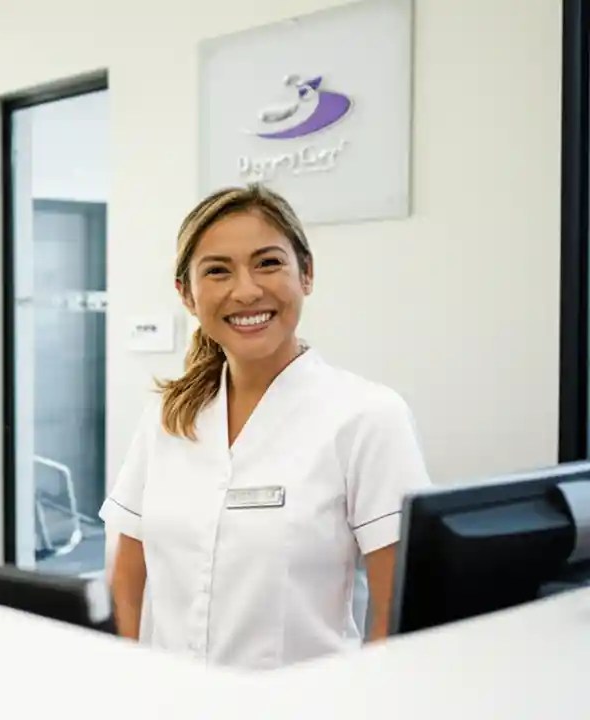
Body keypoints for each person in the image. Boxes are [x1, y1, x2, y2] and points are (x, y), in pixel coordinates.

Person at [100, 184, 431, 670]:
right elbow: (126, 579)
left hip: (306, 702)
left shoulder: (367, 417)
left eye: (268, 263)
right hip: (172, 699)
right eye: (218, 270)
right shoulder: (167, 417)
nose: (247, 290)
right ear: (186, 294)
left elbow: (398, 613)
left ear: (306, 274)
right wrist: (124, 684)